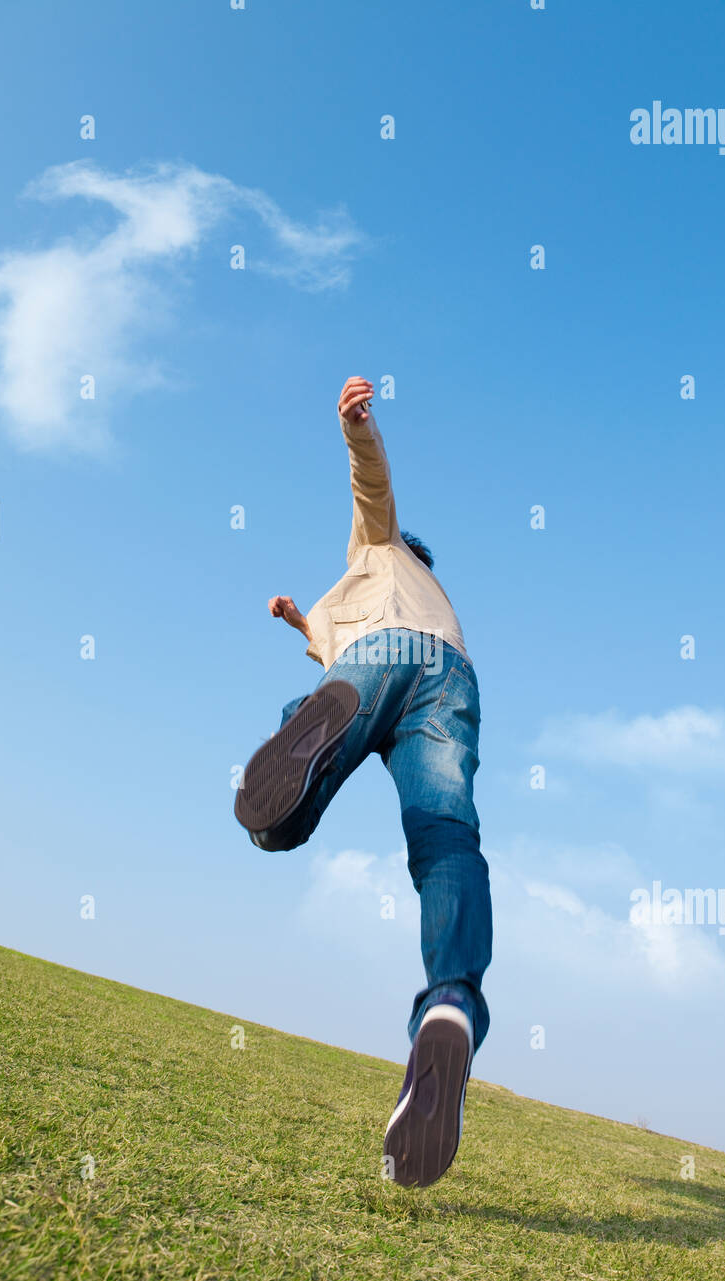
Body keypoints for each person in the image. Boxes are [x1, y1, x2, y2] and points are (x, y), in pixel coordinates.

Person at [235, 376, 493, 1188]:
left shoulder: (380, 550)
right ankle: (449, 1003)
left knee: (288, 789)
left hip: (372, 665)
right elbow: (328, 640)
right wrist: (300, 624)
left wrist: (356, 427)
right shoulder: (427, 595)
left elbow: (372, 489)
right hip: (447, 677)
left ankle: (296, 781)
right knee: (446, 834)